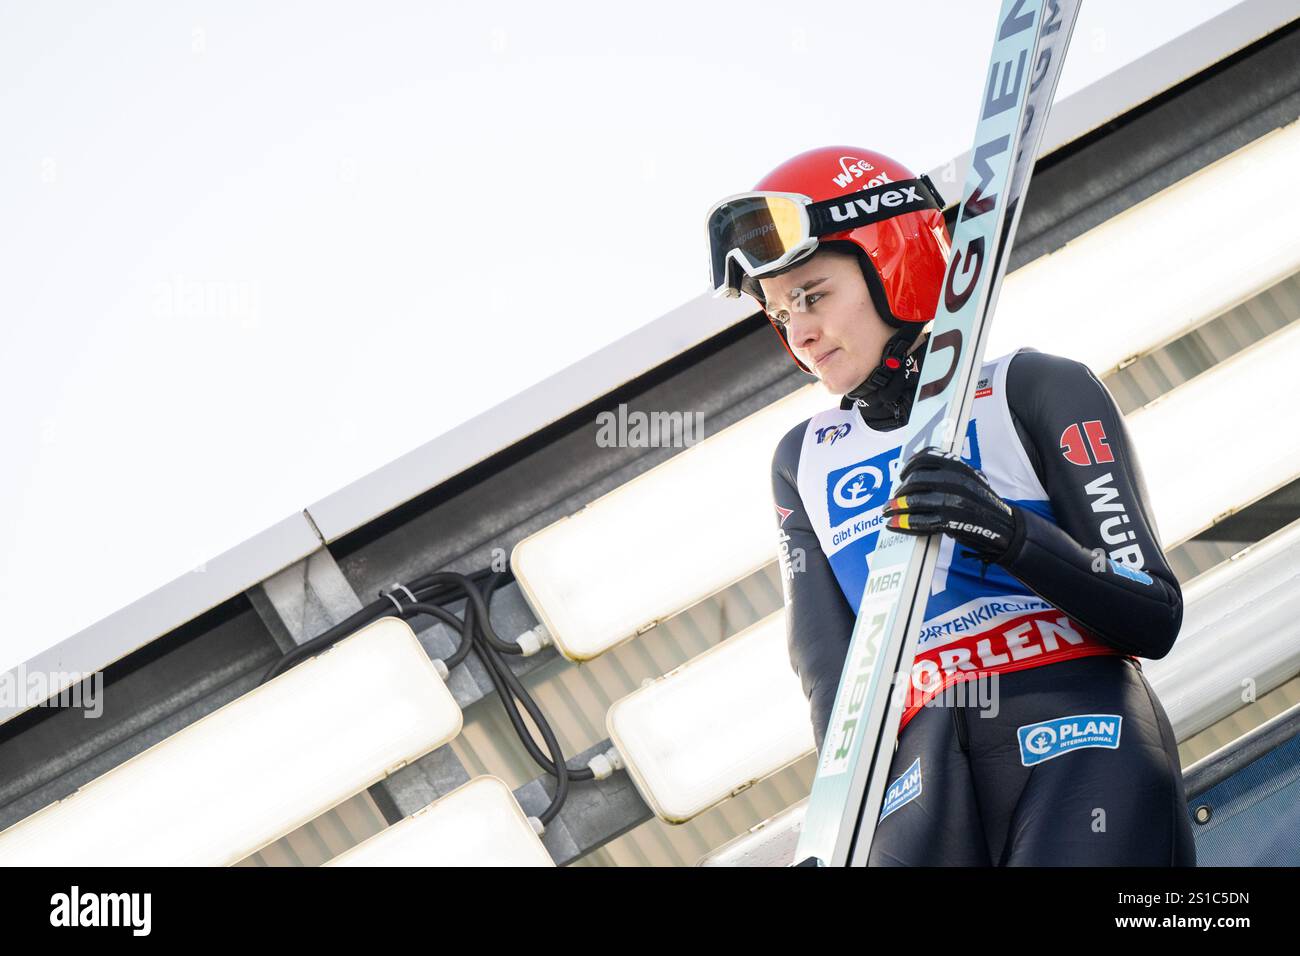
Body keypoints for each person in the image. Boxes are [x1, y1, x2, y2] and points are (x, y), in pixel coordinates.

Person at [706, 145, 1196, 865]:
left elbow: (1152, 612)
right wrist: (836, 836)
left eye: (812, 295)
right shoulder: (803, 460)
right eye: (779, 313)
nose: (799, 333)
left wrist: (1009, 533)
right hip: (919, 781)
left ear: (892, 261)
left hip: (1079, 736)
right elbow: (833, 687)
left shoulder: (1031, 388)